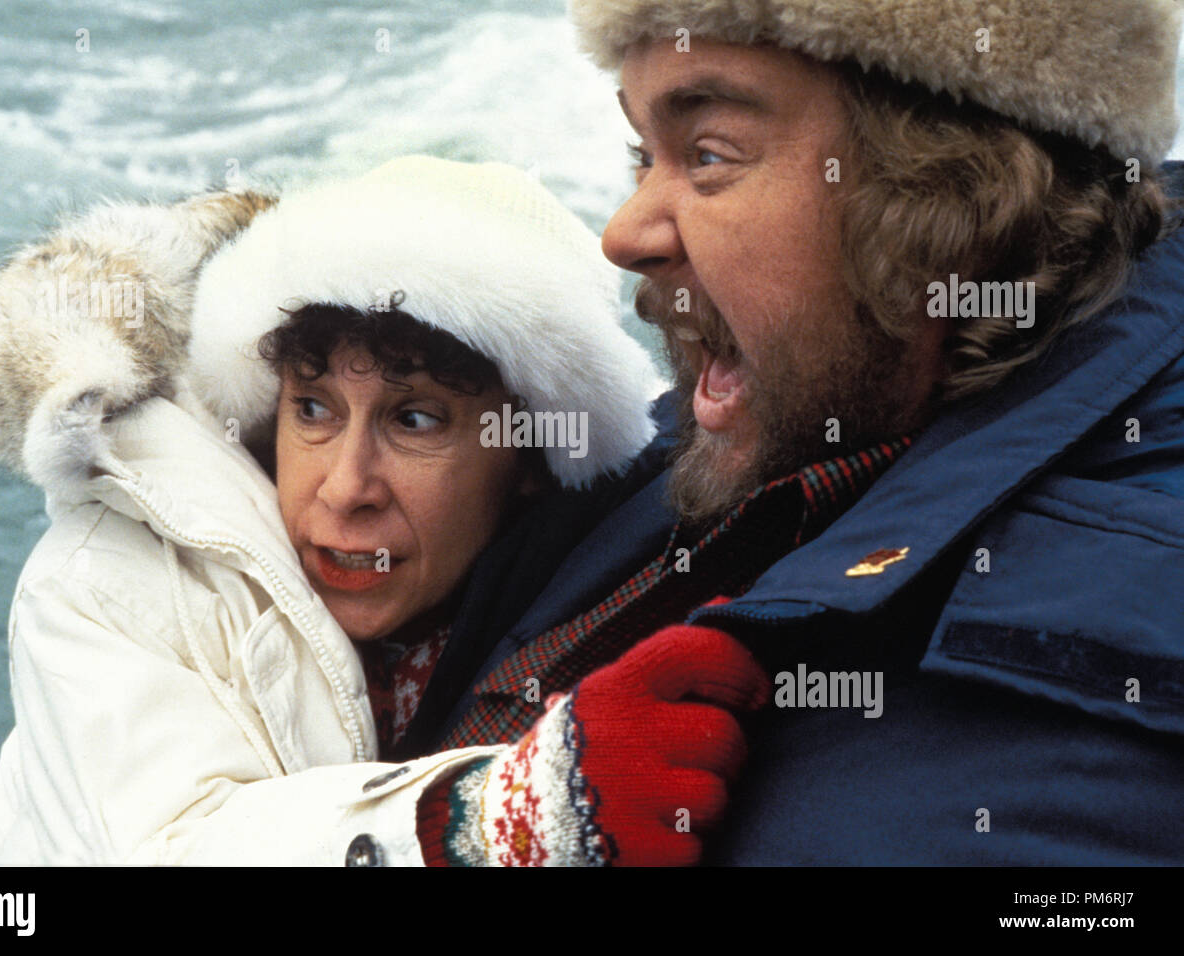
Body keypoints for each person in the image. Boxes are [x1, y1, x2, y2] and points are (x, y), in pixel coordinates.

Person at [404, 0, 1184, 865]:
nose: (621, 235)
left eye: (707, 155)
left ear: (954, 205)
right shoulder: (773, 418)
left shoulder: (1076, 715)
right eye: (641, 154)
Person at [0, 157, 764, 865]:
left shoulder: (625, 550)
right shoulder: (116, 564)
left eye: (414, 419)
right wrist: (487, 821)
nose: (346, 485)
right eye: (312, 409)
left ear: (532, 456)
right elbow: (165, 849)